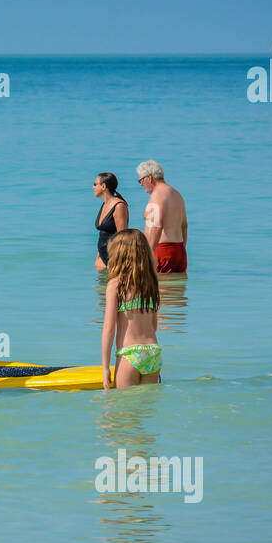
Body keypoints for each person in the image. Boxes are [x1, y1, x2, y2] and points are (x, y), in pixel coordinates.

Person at [101, 228, 161, 389]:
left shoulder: (115, 285)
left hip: (130, 354)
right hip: (153, 352)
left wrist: (105, 367)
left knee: (122, 410)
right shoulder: (151, 283)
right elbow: (154, 325)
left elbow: (109, 328)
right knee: (144, 409)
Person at [136, 160, 188, 273]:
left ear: (149, 178)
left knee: (157, 289)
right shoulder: (177, 194)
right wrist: (182, 249)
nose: (140, 184)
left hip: (162, 251)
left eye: (140, 180)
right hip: (179, 251)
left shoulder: (156, 196)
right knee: (175, 289)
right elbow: (184, 226)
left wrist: (148, 254)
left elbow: (156, 227)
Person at [92, 172, 129, 271]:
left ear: (103, 186)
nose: (93, 187)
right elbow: (104, 234)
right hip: (103, 259)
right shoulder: (105, 204)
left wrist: (118, 263)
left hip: (114, 259)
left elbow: (123, 237)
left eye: (95, 184)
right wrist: (99, 256)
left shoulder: (119, 206)